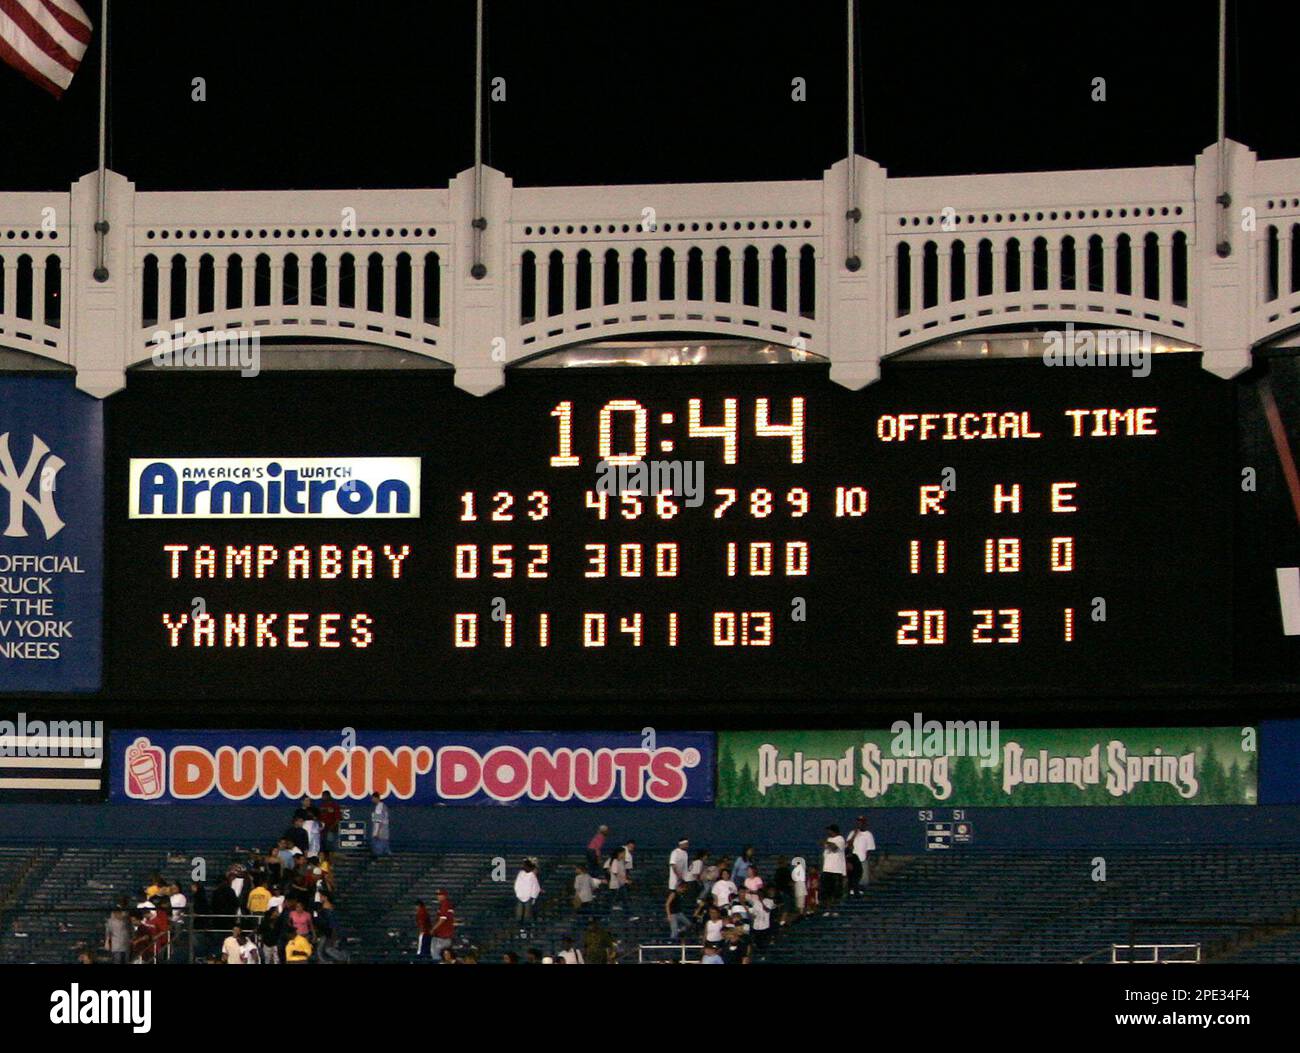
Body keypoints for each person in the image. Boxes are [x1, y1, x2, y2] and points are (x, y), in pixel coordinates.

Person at [847, 815, 877, 896]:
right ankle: (852, 892)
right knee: (852, 879)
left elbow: (870, 849)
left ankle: (861, 893)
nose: (860, 823)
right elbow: (848, 845)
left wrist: (865, 859)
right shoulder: (852, 833)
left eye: (862, 822)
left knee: (862, 879)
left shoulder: (868, 834)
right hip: (853, 860)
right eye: (858, 822)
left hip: (862, 860)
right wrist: (855, 834)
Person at [821, 825, 847, 913]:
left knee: (835, 892)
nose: (828, 832)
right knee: (826, 891)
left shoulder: (840, 839)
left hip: (836, 870)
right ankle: (828, 910)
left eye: (829, 830)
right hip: (827, 869)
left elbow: (835, 848)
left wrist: (827, 843)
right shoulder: (829, 840)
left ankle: (835, 910)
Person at [514, 860, 541, 936]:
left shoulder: (532, 875)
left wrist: (533, 897)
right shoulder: (520, 874)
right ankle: (521, 931)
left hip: (528, 898)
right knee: (519, 916)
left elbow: (535, 887)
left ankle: (527, 931)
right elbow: (517, 884)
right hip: (520, 897)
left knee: (527, 917)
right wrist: (518, 894)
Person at [431, 889, 456, 959]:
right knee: (443, 957)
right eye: (437, 895)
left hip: (442, 937)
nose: (438, 896)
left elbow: (443, 919)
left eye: (440, 895)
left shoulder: (445, 904)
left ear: (444, 896)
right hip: (445, 936)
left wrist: (433, 929)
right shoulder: (447, 904)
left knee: (437, 956)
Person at [607, 845, 630, 912]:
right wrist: (625, 880)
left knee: (625, 900)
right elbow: (615, 873)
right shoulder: (615, 861)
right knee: (615, 900)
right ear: (619, 853)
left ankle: (628, 915)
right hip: (616, 885)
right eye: (624, 853)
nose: (625, 855)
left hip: (621, 884)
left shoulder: (621, 862)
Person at [370, 793, 390, 858]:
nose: (372, 800)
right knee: (386, 851)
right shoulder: (384, 806)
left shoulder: (379, 807)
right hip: (384, 833)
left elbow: (378, 821)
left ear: (376, 798)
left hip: (380, 834)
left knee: (378, 852)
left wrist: (377, 832)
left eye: (373, 798)